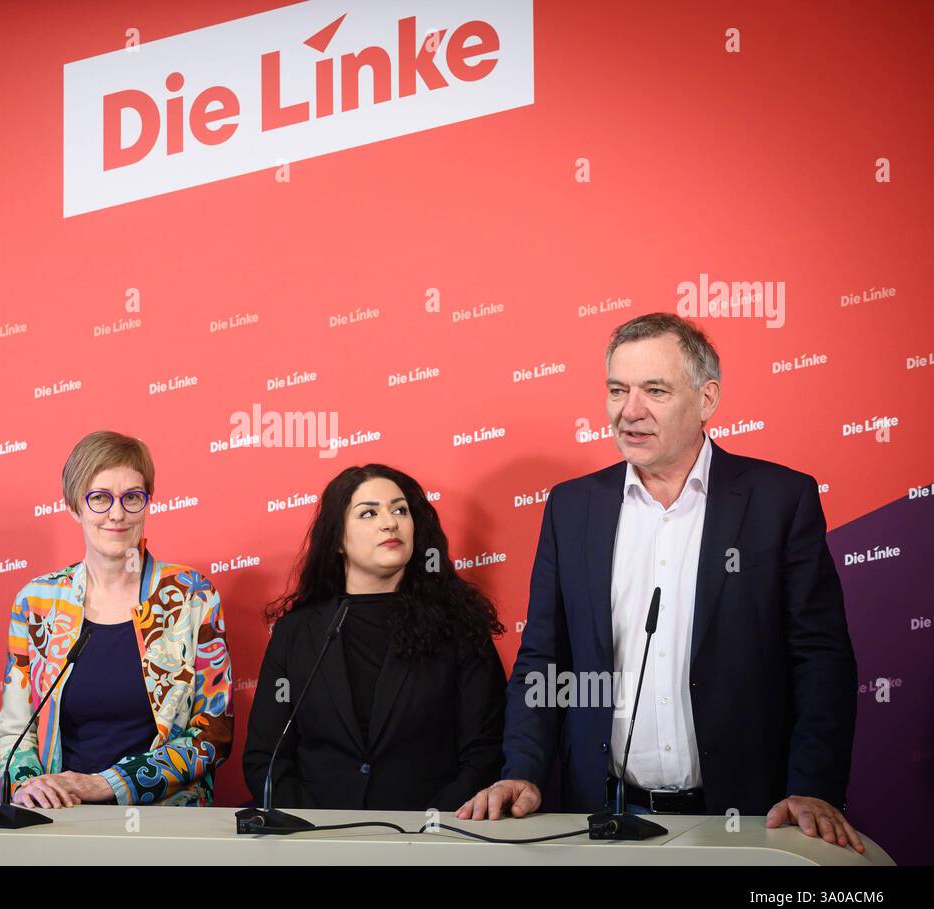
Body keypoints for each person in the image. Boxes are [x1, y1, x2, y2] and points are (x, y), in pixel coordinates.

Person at [458, 313, 863, 853]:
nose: (630, 411)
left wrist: (813, 787)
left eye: (655, 390)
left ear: (707, 399)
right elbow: (544, 658)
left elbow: (820, 656)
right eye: (618, 390)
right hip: (606, 817)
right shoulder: (572, 507)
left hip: (750, 819)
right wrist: (524, 769)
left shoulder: (779, 500)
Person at [243, 464, 506, 811]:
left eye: (400, 510)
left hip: (432, 841)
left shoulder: (458, 626)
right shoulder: (297, 633)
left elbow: (485, 752)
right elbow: (266, 758)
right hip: (317, 842)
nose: (389, 522)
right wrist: (313, 828)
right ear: (337, 539)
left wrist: (432, 828)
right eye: (368, 513)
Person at [0, 431, 233, 808]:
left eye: (132, 498)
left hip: (166, 819)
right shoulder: (37, 601)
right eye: (100, 498)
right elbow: (14, 730)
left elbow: (212, 734)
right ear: (74, 507)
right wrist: (29, 786)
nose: (117, 514)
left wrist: (107, 784)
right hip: (61, 815)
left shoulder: (193, 595)